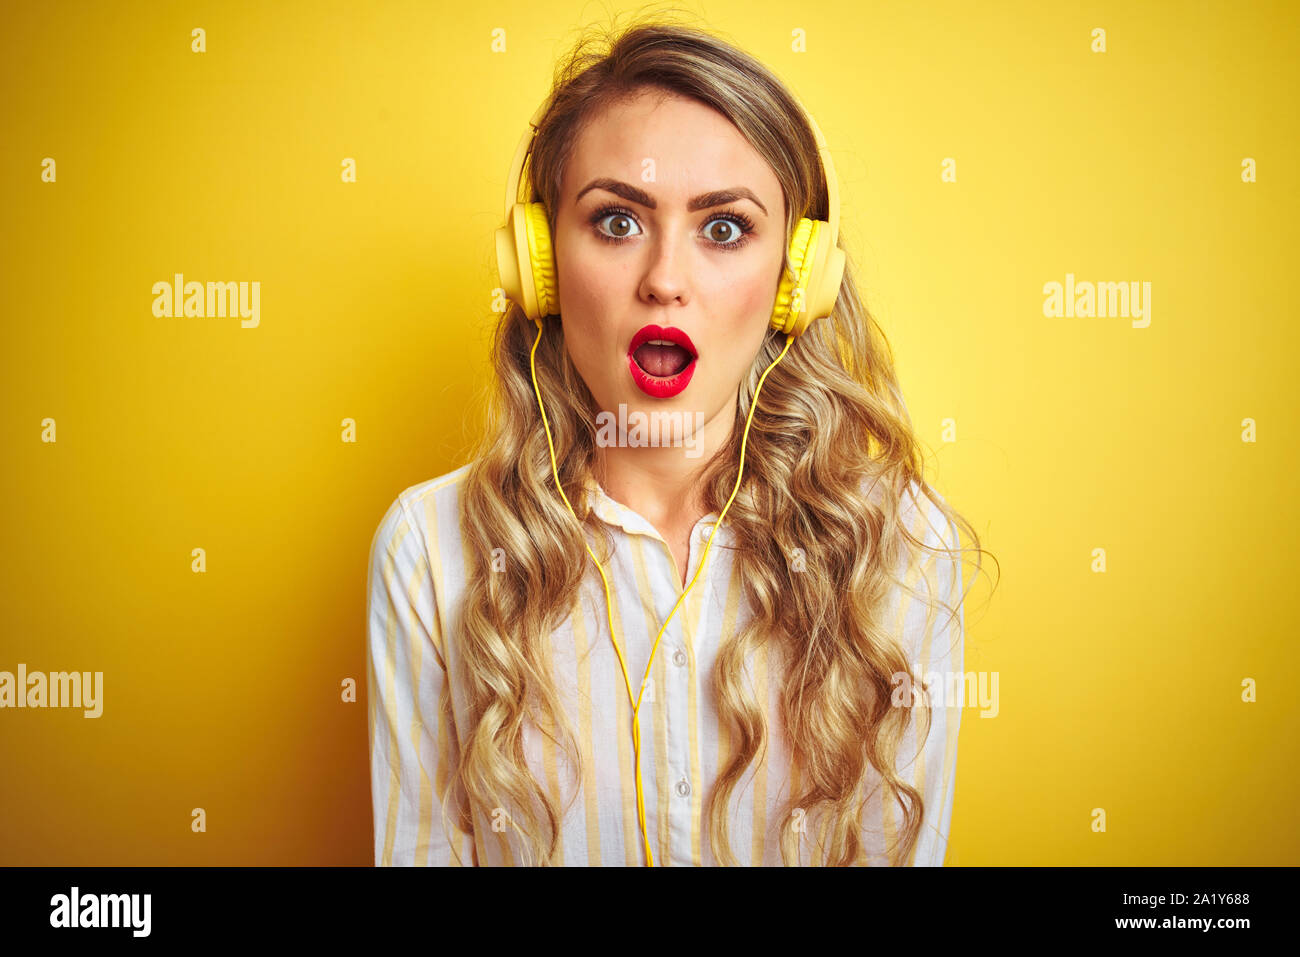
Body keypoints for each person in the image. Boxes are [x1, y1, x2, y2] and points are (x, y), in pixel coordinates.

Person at [367, 16, 986, 866]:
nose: (664, 280)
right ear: (540, 265)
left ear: (797, 279)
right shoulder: (430, 552)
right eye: (617, 221)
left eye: (724, 227)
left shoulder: (903, 549)